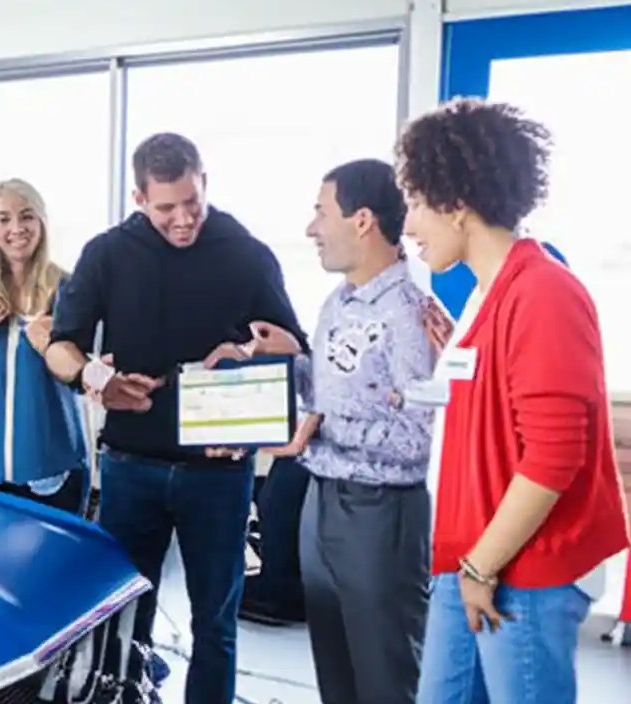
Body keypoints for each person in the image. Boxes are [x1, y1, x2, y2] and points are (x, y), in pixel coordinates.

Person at [44, 132, 307, 704]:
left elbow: (293, 350)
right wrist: (98, 379)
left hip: (219, 474)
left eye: (193, 201)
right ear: (139, 198)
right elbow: (60, 347)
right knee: (122, 618)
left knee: (215, 620)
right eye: (167, 208)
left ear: (205, 182)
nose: (184, 218)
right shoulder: (107, 254)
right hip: (130, 467)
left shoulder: (246, 252)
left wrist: (249, 355)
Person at [397, 98, 630, 703]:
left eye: (417, 202)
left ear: (457, 201)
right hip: (472, 555)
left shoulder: (544, 293)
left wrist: (481, 568)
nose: (410, 225)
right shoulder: (487, 296)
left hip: (519, 569)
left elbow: (553, 457)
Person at [263, 159, 435, 704]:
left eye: (320, 212)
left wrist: (326, 425)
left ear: (362, 220)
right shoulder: (337, 303)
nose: (312, 229)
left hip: (380, 514)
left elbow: (417, 438)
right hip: (322, 502)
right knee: (335, 679)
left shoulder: (410, 314)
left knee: (385, 682)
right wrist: (289, 364)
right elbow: (330, 394)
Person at [0, 179, 89, 514]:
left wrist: (53, 347)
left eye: (26, 216)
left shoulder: (67, 290)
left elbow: (87, 377)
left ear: (41, 222)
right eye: (4, 219)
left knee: (53, 566)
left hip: (53, 469)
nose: (17, 228)